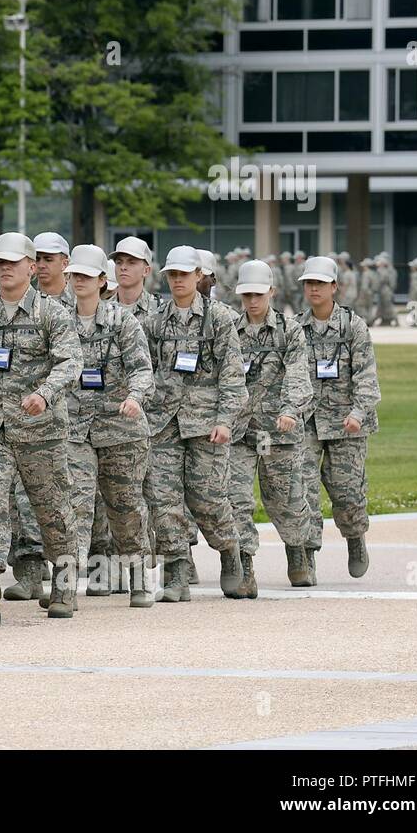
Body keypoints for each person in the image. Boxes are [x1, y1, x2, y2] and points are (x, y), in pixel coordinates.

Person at [0, 232, 81, 623]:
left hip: (40, 431)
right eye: (0, 263)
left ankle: (64, 584)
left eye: (14, 262)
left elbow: (70, 362)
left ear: (31, 266)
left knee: (51, 509)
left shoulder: (51, 313)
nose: (6, 269)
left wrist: (44, 393)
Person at [141, 246, 247, 602]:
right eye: (172, 275)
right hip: (164, 423)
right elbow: (145, 370)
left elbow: (232, 376)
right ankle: (176, 572)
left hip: (206, 423)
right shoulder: (155, 321)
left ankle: (230, 551)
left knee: (208, 499)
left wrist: (226, 420)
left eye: (184, 275)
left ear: (199, 275)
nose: (177, 281)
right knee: (164, 499)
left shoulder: (219, 319)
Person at [61, 244, 155, 608]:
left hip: (121, 429)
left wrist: (135, 397)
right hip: (74, 429)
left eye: (88, 275)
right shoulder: (58, 319)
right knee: (75, 504)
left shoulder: (122, 321)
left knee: (125, 507)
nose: (80, 281)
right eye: (75, 275)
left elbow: (142, 369)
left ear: (103, 280)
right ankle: (66, 585)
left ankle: (138, 579)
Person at [228, 260, 314, 596]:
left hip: (278, 431)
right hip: (240, 433)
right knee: (237, 500)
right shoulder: (229, 331)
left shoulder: (289, 331)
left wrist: (290, 409)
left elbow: (298, 373)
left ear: (272, 293)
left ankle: (297, 550)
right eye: (246, 294)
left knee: (286, 501)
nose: (251, 301)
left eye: (258, 294)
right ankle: (245, 566)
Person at [296, 255, 380, 583]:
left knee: (346, 491)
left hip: (348, 422)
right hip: (307, 420)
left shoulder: (352, 326)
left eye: (320, 283)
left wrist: (359, 413)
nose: (314, 288)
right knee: (301, 489)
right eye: (309, 283)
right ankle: (307, 553)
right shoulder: (296, 328)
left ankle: (355, 537)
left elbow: (367, 376)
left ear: (334, 287)